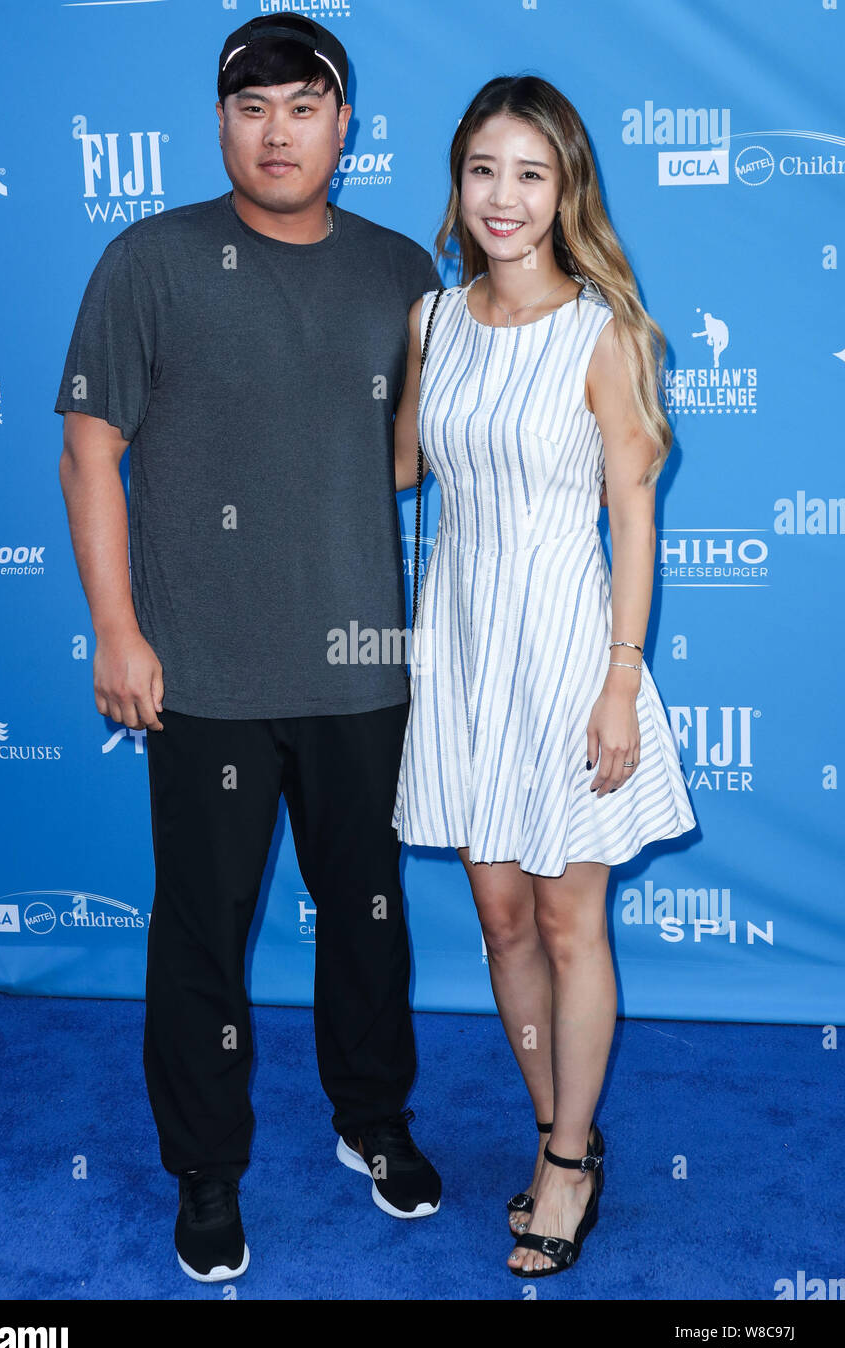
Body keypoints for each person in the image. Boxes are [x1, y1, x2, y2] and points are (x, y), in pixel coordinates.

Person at [53, 14, 443, 1284]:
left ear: (346, 124)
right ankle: (207, 1173)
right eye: (251, 107)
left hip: (359, 667)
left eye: (302, 106)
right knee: (203, 930)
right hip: (201, 674)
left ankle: (371, 1121)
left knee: (368, 916)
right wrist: (118, 628)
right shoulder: (149, 262)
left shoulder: (401, 274)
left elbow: (403, 459)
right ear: (219, 123)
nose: (276, 131)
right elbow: (89, 449)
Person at [391, 74, 697, 1278]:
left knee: (571, 919)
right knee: (501, 916)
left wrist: (619, 682)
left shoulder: (604, 336)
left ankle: (567, 1158)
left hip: (571, 656)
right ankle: (546, 1123)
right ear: (457, 185)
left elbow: (635, 518)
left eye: (530, 172)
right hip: (462, 654)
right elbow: (405, 465)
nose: (503, 197)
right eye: (482, 171)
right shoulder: (430, 319)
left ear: (565, 187)